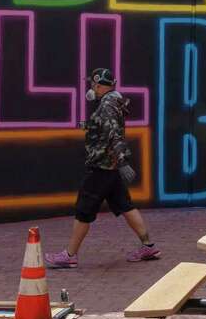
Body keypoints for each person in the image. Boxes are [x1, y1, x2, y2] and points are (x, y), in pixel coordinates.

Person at [45, 67, 160, 268]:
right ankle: (148, 246)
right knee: (125, 205)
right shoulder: (112, 103)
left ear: (99, 85)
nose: (91, 88)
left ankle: (70, 255)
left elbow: (113, 134)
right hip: (111, 167)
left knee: (84, 210)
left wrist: (123, 161)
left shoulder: (107, 106)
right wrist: (84, 125)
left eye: (93, 84)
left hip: (102, 166)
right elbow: (102, 127)